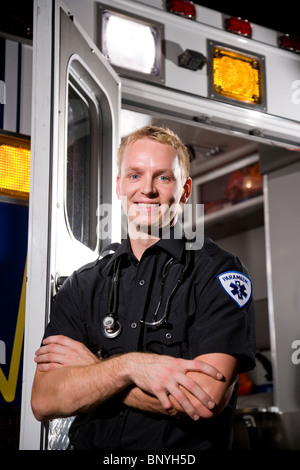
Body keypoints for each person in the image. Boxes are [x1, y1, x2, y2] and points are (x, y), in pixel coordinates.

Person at [31, 125, 256, 450]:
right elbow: (44, 399)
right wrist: (129, 367)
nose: (147, 190)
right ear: (119, 184)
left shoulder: (218, 274)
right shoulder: (83, 285)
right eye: (135, 175)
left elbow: (204, 400)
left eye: (163, 177)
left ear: (185, 190)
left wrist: (95, 370)